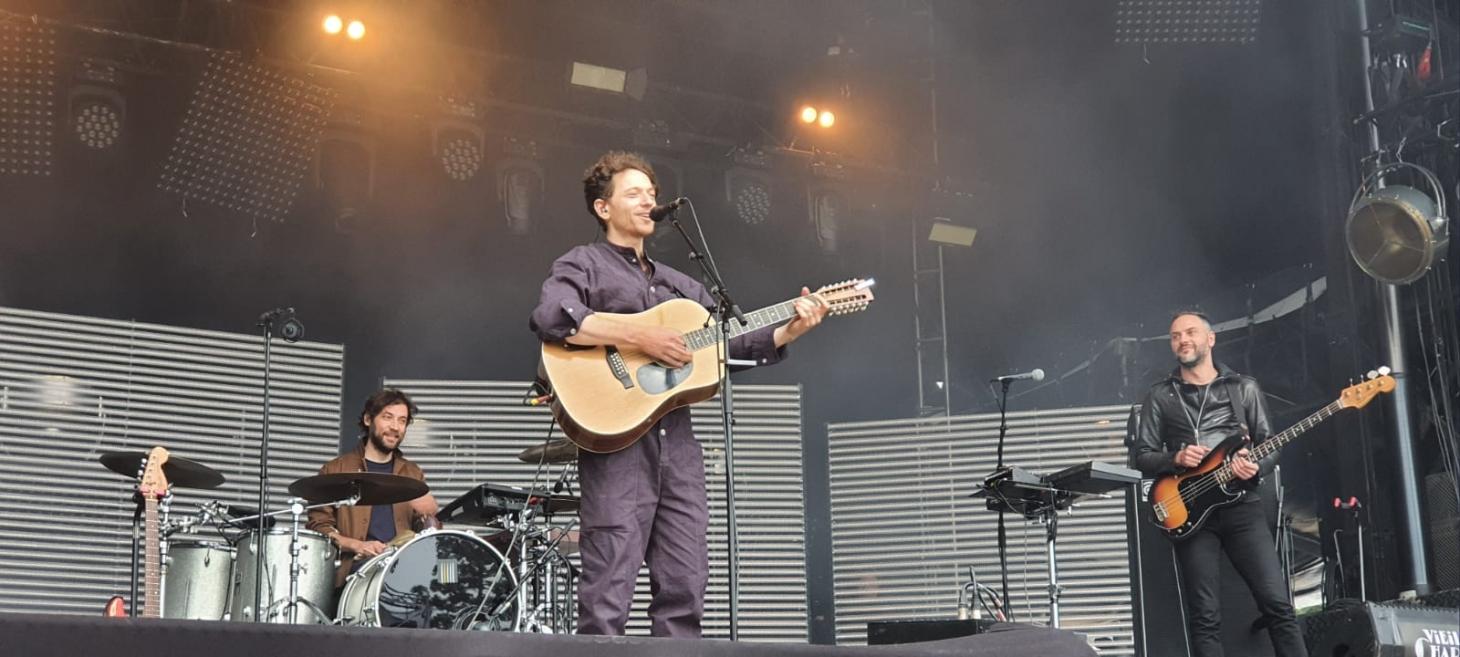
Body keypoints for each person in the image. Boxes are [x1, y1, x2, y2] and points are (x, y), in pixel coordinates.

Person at [529, 151, 833, 637]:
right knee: (609, 582)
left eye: (651, 193)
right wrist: (639, 337)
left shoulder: (681, 284)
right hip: (618, 447)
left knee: (685, 582)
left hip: (679, 448)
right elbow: (552, 317)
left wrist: (791, 329)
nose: (649, 200)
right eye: (634, 193)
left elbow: (733, 339)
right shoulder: (582, 263)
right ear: (603, 208)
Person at [1130, 310, 1307, 657]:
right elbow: (1142, 456)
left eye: (1191, 332)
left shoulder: (1243, 388)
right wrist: (1175, 459)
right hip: (1192, 510)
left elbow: (1270, 444)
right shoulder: (1160, 396)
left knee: (1277, 603)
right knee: (1205, 615)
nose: (1183, 340)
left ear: (1210, 339)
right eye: (1176, 335)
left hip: (1242, 506)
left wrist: (1252, 469)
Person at [306, 387, 439, 589]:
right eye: (388, 417)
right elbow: (319, 529)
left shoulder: (413, 473)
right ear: (368, 420)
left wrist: (429, 517)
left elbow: (425, 537)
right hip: (355, 576)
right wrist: (357, 545)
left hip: (403, 575)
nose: (395, 427)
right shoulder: (335, 470)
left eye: (402, 421)